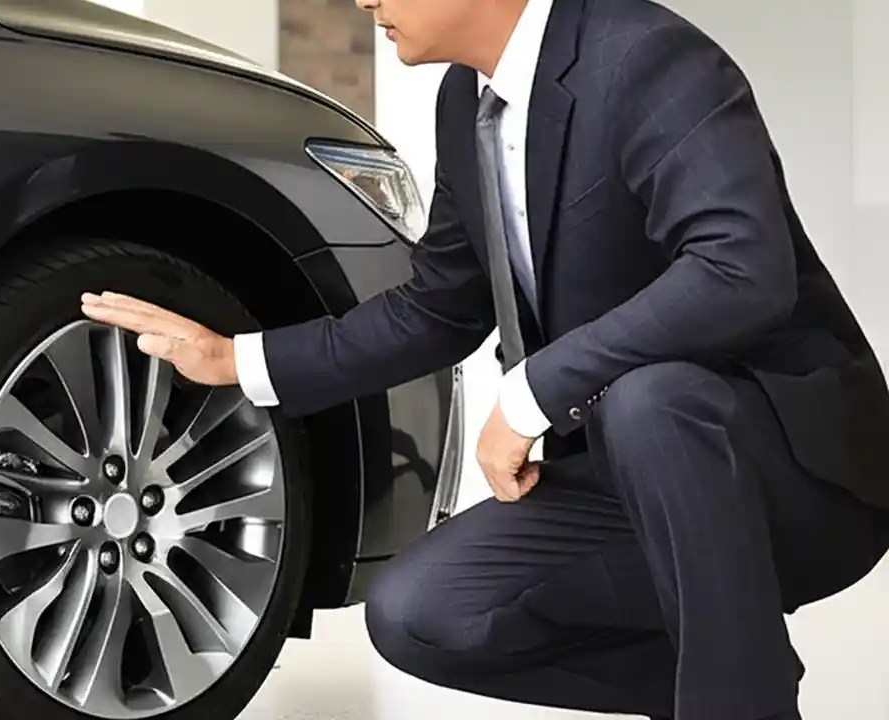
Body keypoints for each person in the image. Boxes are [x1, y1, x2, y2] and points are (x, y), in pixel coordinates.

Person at [81, 0, 889, 717]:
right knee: (423, 613)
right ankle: (735, 685)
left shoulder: (648, 57)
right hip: (625, 479)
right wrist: (237, 360)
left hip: (790, 477)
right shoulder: (468, 101)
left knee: (653, 400)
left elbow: (740, 271)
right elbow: (437, 307)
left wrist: (536, 389)